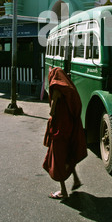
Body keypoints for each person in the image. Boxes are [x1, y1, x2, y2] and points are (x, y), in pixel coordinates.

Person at [43, 67, 87, 199]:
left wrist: (52, 111)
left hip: (59, 128)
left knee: (58, 157)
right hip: (69, 125)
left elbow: (52, 111)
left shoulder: (56, 87)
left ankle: (63, 190)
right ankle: (76, 179)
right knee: (67, 154)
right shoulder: (68, 88)